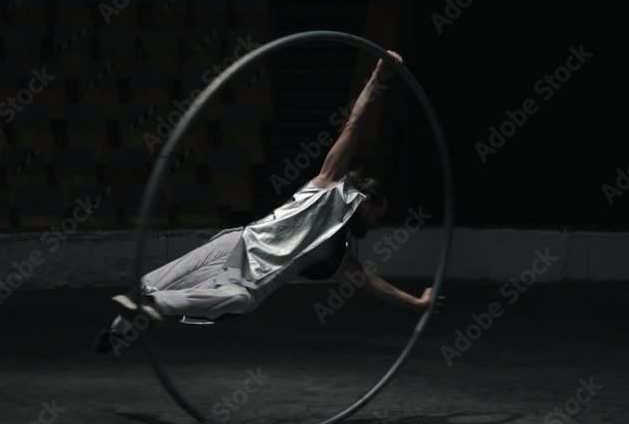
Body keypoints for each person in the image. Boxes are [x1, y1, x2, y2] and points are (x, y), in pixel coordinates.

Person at [99, 50, 439, 349]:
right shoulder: (329, 184)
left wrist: (417, 304)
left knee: (239, 299)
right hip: (240, 243)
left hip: (249, 279)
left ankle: (150, 306)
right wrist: (379, 75)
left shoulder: (339, 253)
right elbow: (353, 125)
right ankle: (124, 324)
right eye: (378, 209)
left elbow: (371, 285)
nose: (376, 218)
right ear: (368, 198)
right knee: (161, 280)